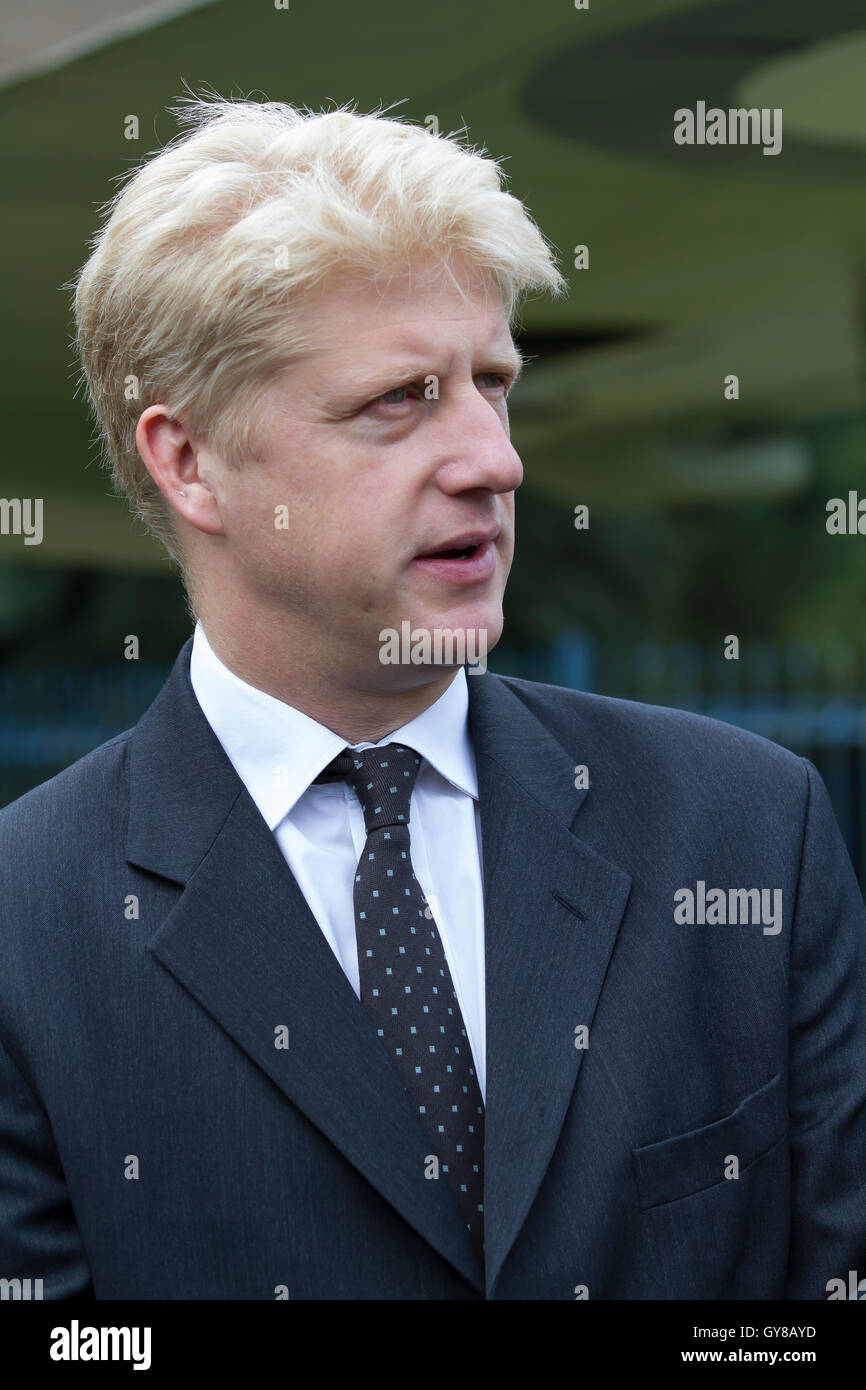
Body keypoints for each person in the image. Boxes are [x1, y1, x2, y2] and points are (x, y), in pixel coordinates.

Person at [1, 94, 865, 1302]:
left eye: (491, 381)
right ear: (188, 460)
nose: (495, 459)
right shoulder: (24, 926)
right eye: (399, 398)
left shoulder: (747, 829)